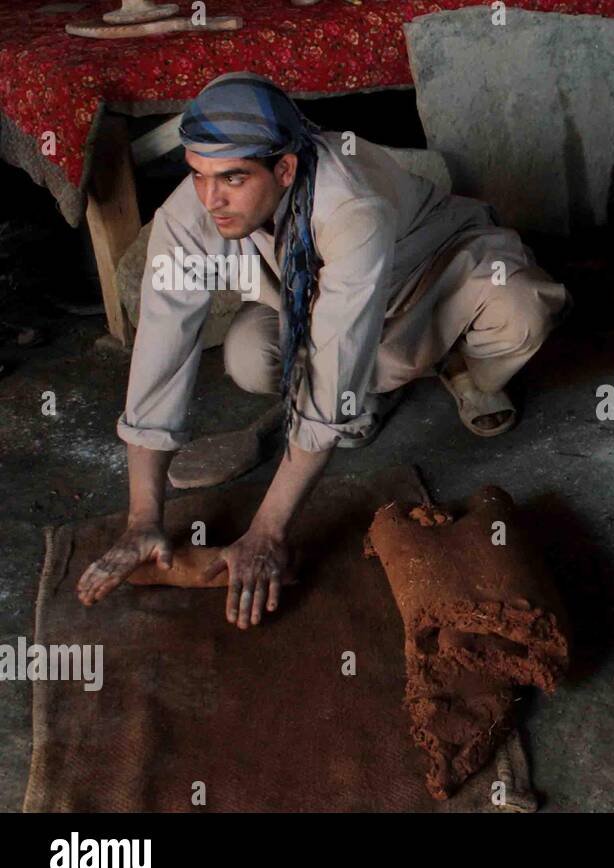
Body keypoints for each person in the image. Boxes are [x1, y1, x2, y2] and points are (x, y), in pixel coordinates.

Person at [76, 72, 570, 628]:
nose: (211, 197)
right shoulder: (194, 212)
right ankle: (381, 382)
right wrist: (143, 516)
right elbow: (160, 351)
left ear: (284, 169)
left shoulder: (350, 206)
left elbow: (331, 376)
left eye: (233, 178)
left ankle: (450, 364)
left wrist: (267, 531)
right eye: (197, 175)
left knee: (520, 314)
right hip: (323, 305)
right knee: (247, 354)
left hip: (431, 278)